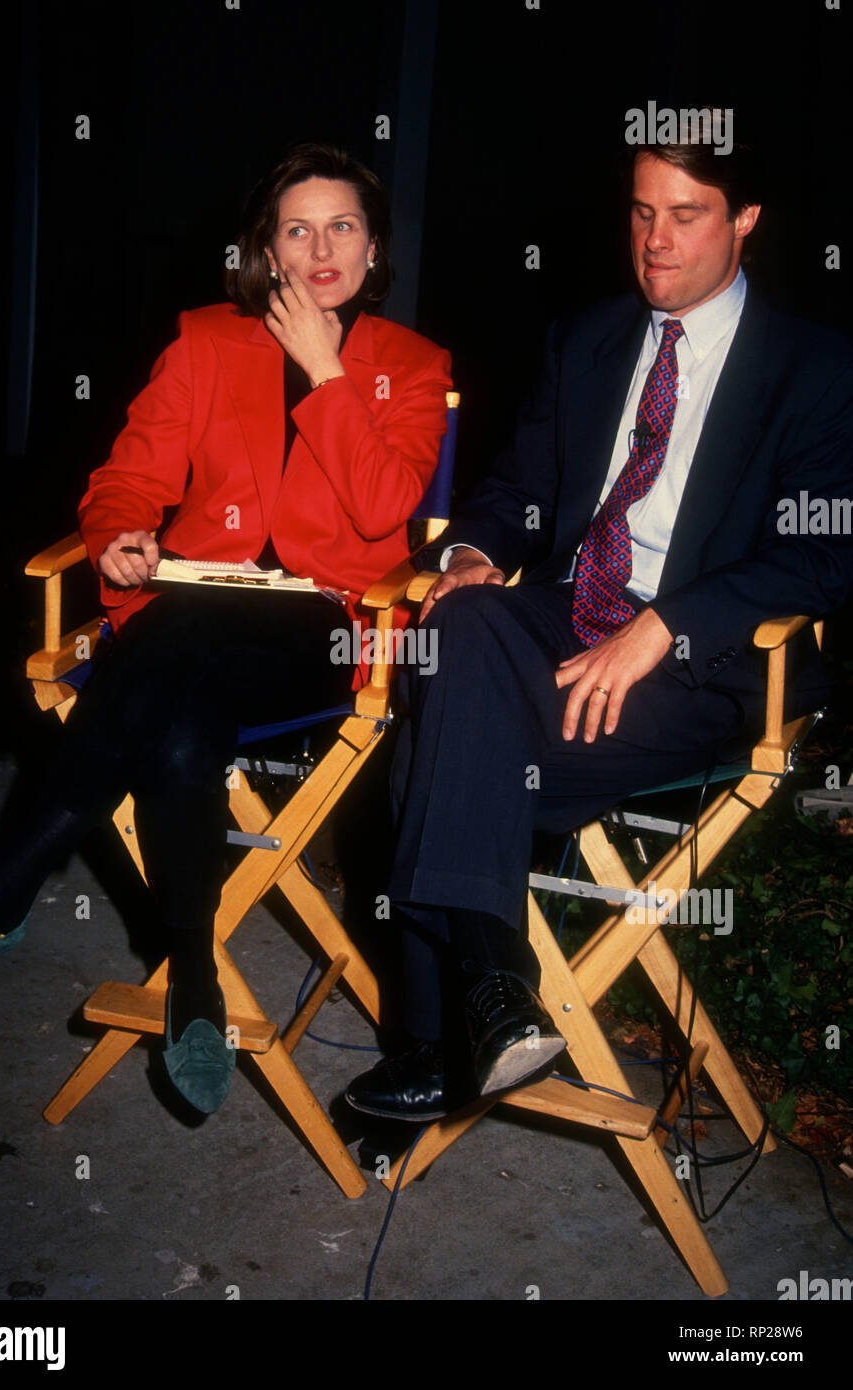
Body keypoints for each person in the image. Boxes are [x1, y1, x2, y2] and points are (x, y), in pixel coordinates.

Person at [0, 142, 452, 1115]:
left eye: (343, 227)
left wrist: (327, 372)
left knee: (169, 655)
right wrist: (119, 533)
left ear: (375, 250)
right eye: (297, 228)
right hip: (191, 615)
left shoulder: (411, 367)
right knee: (177, 713)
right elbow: (129, 478)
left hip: (326, 630)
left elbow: (384, 509)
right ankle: (196, 986)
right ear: (266, 247)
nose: (321, 247)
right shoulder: (206, 340)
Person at [346, 120, 853, 1123]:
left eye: (687, 216)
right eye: (641, 211)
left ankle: (428, 1039)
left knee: (429, 745)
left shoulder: (816, 366)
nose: (655, 240)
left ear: (745, 220)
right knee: (459, 623)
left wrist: (670, 622)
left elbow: (825, 550)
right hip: (559, 624)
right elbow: (515, 487)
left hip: (703, 669)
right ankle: (497, 993)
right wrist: (476, 551)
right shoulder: (588, 339)